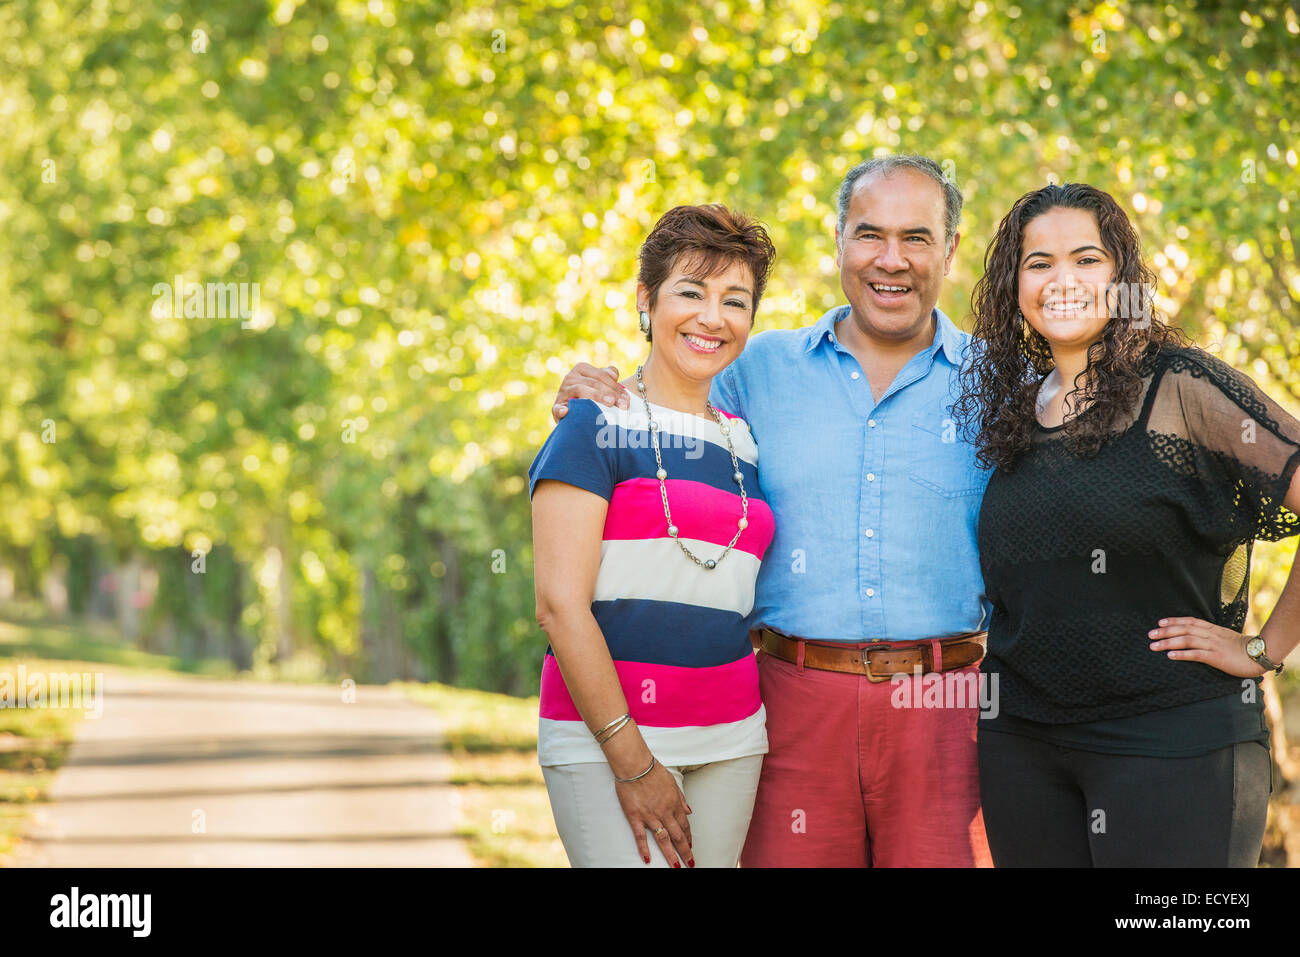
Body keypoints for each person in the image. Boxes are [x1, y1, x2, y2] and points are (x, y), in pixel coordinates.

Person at [552, 155, 994, 867]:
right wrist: (593, 384)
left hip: (947, 712)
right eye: (869, 233)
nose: (891, 259)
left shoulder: (1001, 383)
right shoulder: (757, 368)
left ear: (949, 249)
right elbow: (669, 389)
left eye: (917, 238)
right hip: (788, 705)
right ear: (839, 240)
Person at [953, 182, 1300, 866]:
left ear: (1122, 277)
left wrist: (1264, 650)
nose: (1064, 281)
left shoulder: (1181, 388)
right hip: (1025, 746)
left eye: (1087, 259)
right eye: (1039, 262)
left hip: (1175, 739)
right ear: (1012, 283)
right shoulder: (1012, 407)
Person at [530, 204, 778, 867]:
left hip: (731, 738)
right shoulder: (591, 425)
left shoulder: (749, 441)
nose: (712, 317)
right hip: (604, 741)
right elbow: (559, 605)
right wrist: (634, 763)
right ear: (646, 299)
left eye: (736, 300)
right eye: (690, 292)